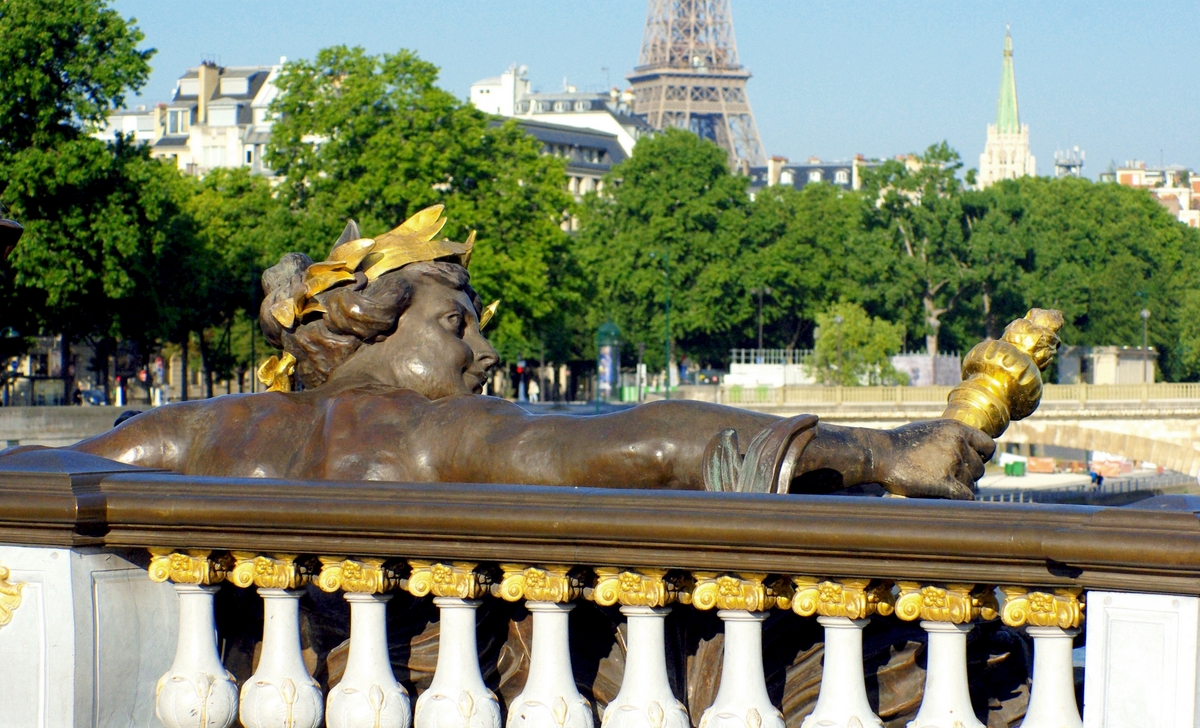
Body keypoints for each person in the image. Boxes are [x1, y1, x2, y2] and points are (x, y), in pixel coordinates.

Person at [64, 206, 992, 498]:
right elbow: (651, 440)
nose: (485, 350)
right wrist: (884, 453)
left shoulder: (200, 428)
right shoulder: (428, 431)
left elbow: (35, 474)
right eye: (456, 324)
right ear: (374, 323)